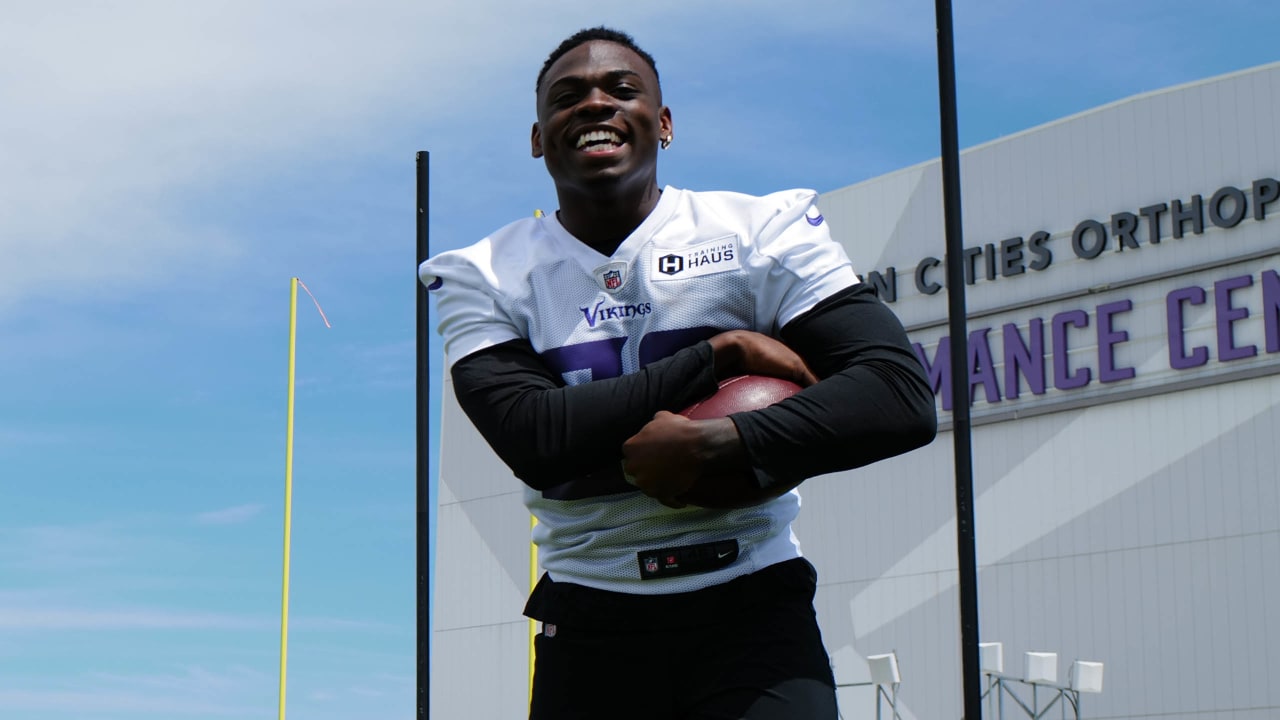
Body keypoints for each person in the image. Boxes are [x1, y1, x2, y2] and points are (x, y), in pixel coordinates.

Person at [420, 26, 937, 720]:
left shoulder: (760, 232)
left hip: (752, 603)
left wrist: (718, 444)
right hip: (592, 620)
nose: (596, 104)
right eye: (568, 97)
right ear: (540, 138)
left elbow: (897, 394)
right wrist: (719, 355)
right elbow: (535, 439)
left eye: (621, 90)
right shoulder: (483, 272)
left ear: (662, 125)